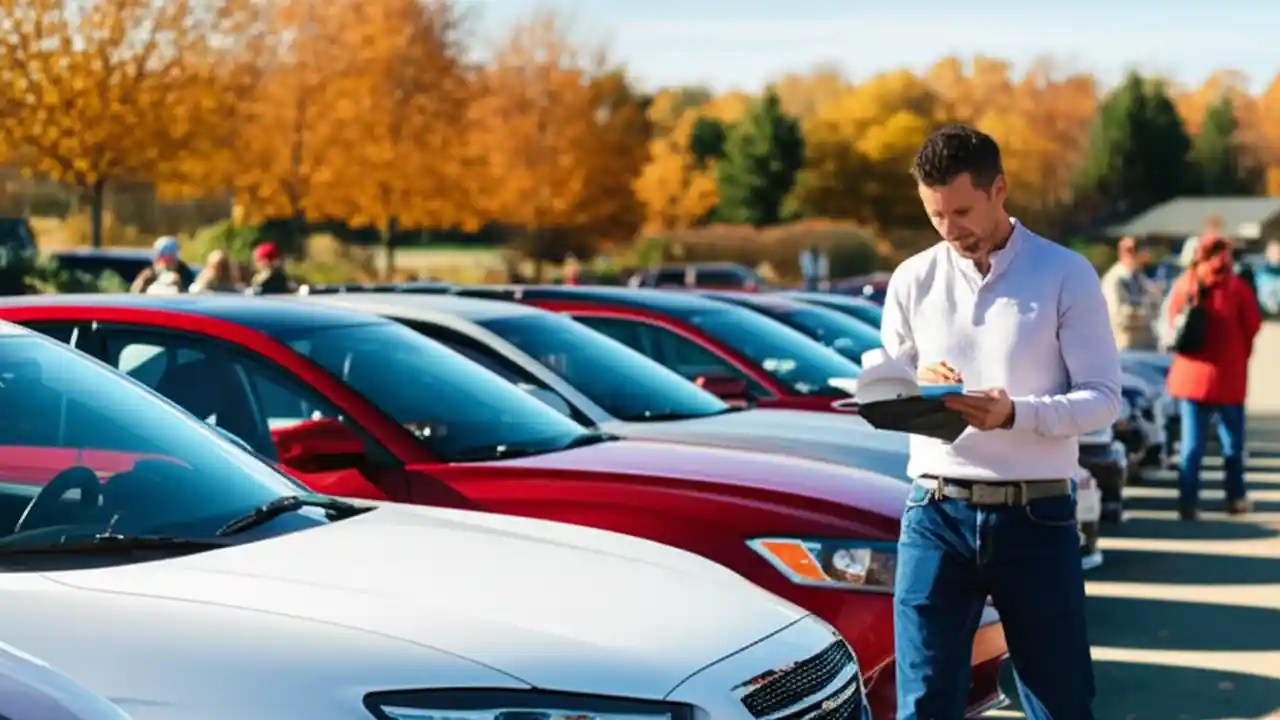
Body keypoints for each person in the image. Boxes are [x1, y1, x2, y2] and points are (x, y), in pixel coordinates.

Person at [881, 124, 1121, 720]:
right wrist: (914, 390)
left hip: (1036, 518)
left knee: (1060, 702)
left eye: (961, 211)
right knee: (922, 703)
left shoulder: (1065, 273)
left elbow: (1103, 400)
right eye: (935, 214)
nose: (948, 228)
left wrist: (1014, 413)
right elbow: (887, 390)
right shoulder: (913, 278)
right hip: (935, 513)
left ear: (1000, 190)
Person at [1165, 236, 1262, 520]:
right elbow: (1252, 325)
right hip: (1228, 376)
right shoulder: (1236, 287)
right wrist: (1239, 353)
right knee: (1232, 444)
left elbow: (1172, 322)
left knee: (1192, 445)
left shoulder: (1187, 283)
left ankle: (1188, 501)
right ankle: (1234, 497)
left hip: (1191, 376)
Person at [1101, 236, 1161, 350]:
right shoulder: (1114, 280)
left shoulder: (1140, 278)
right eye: (1134, 250)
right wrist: (1143, 313)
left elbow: (1157, 306)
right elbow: (1116, 316)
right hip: (1125, 347)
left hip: (1146, 345)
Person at [1256, 239, 1280, 315]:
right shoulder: (1258, 274)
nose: (1276, 255)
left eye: (1278, 252)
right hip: (1263, 317)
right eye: (1273, 252)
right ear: (1266, 253)